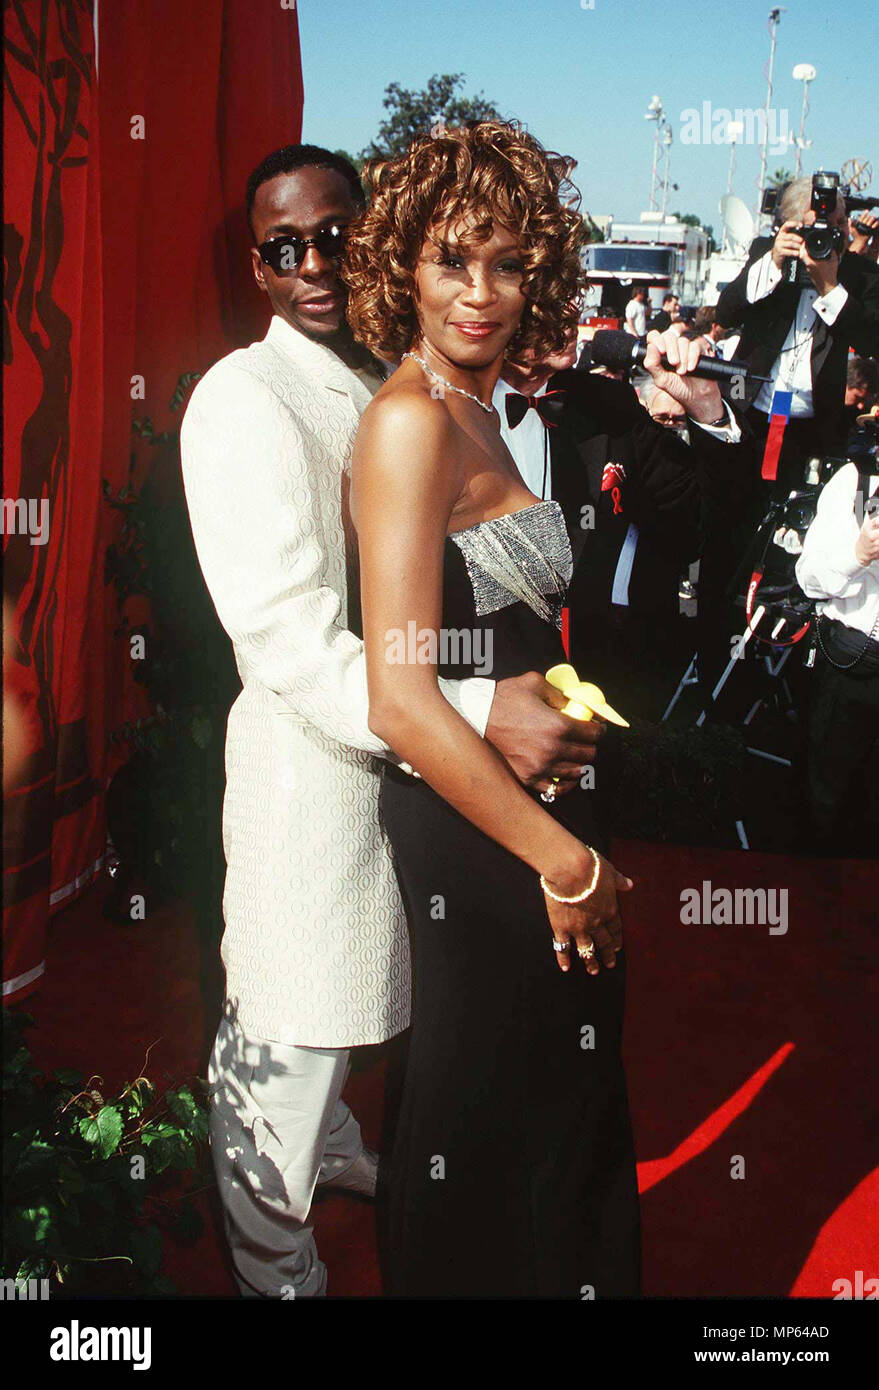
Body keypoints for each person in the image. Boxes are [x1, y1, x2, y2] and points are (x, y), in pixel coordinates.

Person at [180, 143, 595, 1298]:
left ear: (375, 238)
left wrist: (511, 694)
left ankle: (352, 1158)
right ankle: (282, 1278)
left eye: (335, 234)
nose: (314, 262)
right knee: (284, 1071)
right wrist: (473, 709)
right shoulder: (240, 397)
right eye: (283, 245)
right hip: (314, 800)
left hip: (427, 803)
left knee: (394, 1049)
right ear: (256, 264)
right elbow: (286, 633)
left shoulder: (402, 376)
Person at [343, 118, 744, 1297]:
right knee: (479, 1120)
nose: (479, 293)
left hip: (538, 812)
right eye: (450, 260)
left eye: (506, 263)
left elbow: (464, 624)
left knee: (553, 1106)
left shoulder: (478, 410)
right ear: (400, 266)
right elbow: (398, 692)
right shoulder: (412, 421)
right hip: (484, 837)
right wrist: (563, 863)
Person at [716, 177, 879, 496]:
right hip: (752, 413)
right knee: (739, 506)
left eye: (839, 223)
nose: (831, 233)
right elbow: (726, 315)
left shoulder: (861, 274)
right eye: (816, 225)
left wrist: (830, 288)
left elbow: (872, 341)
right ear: (790, 226)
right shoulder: (767, 252)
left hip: (814, 427)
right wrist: (774, 263)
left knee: (796, 518)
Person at [796, 453, 879, 855]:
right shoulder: (856, 479)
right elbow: (810, 578)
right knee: (827, 800)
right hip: (854, 664)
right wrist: (859, 554)